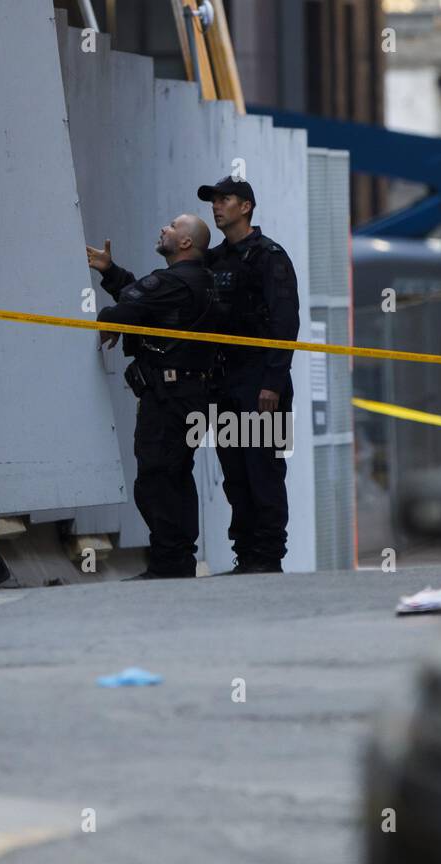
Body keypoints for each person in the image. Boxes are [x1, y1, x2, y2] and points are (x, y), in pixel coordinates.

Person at [87, 214, 217, 579]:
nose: (164, 229)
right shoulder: (195, 280)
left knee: (156, 478)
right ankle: (176, 560)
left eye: (173, 227)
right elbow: (147, 301)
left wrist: (110, 320)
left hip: (172, 397)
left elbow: (131, 305)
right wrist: (111, 271)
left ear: (187, 243)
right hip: (185, 394)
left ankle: (170, 561)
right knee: (173, 475)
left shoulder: (180, 280)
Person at [198, 176, 300, 574]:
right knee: (234, 472)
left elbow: (285, 322)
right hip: (225, 383)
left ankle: (269, 556)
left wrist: (273, 382)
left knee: (264, 469)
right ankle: (247, 555)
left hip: (261, 382)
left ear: (246, 207)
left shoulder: (269, 257)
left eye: (225, 199)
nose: (217, 206)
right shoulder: (215, 260)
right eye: (214, 200)